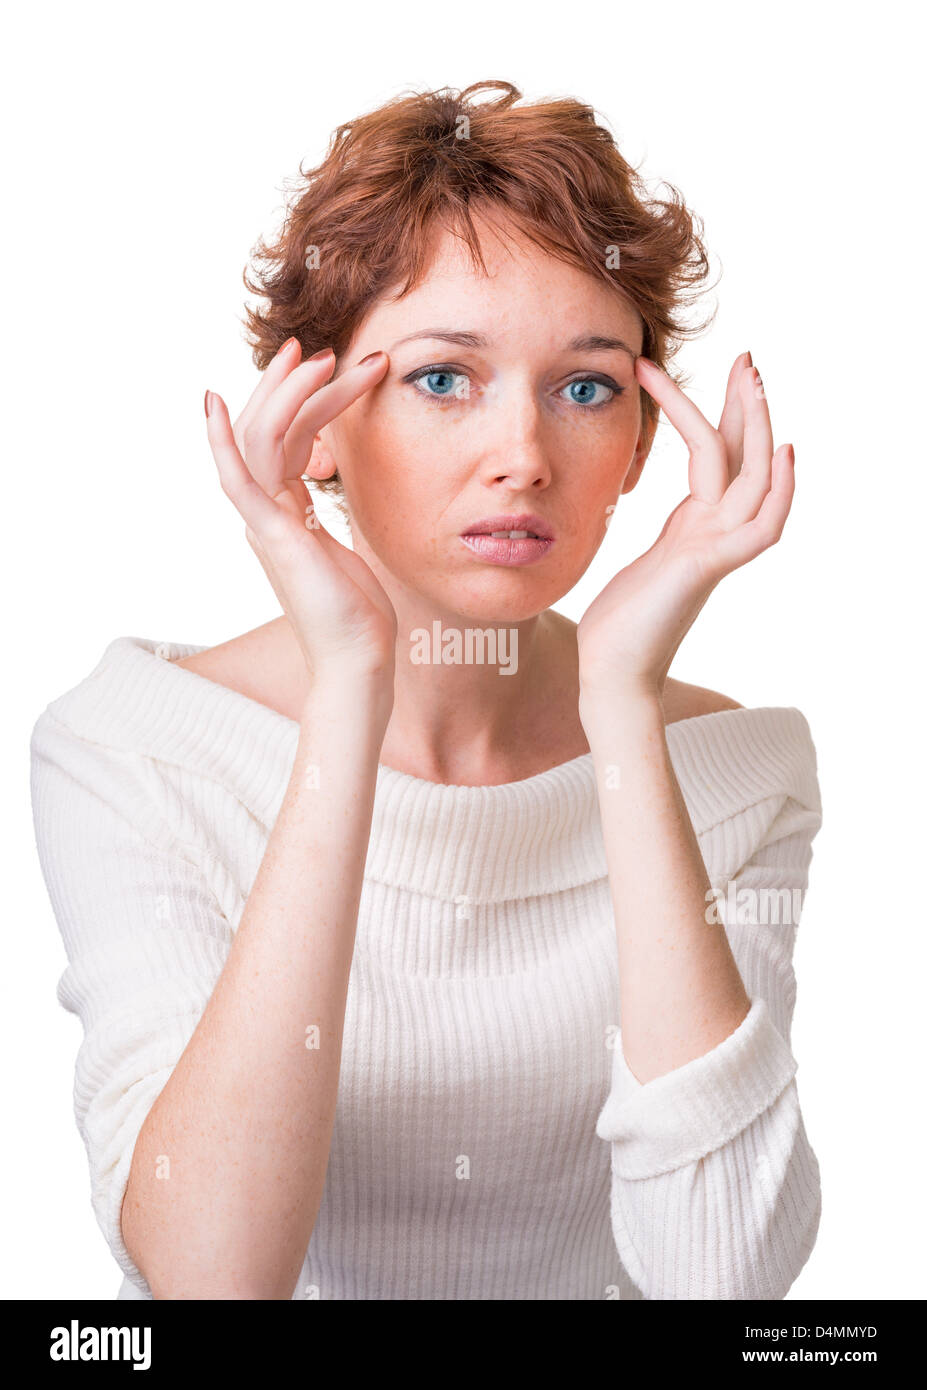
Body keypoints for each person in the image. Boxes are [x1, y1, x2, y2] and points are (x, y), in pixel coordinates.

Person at [30, 80, 823, 1301]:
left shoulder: (735, 775)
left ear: (643, 444)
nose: (525, 457)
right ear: (319, 419)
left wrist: (621, 704)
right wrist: (353, 684)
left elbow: (723, 1287)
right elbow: (210, 1279)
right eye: (446, 378)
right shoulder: (135, 751)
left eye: (588, 386)